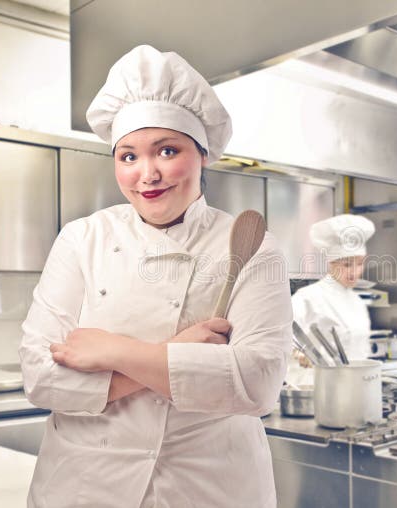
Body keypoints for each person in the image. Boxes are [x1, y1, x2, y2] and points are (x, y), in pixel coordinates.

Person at [19, 45, 292, 508]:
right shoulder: (82, 238)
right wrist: (174, 354)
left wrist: (117, 352)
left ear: (203, 155)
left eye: (168, 150)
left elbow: (257, 382)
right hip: (85, 485)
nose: (147, 174)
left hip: (206, 488)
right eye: (128, 156)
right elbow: (40, 377)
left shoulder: (249, 244)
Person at [288, 215, 375, 385]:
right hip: (317, 387)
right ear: (331, 264)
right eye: (347, 265)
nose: (354, 272)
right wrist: (297, 353)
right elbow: (279, 335)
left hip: (356, 386)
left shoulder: (357, 302)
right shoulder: (308, 297)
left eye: (359, 264)